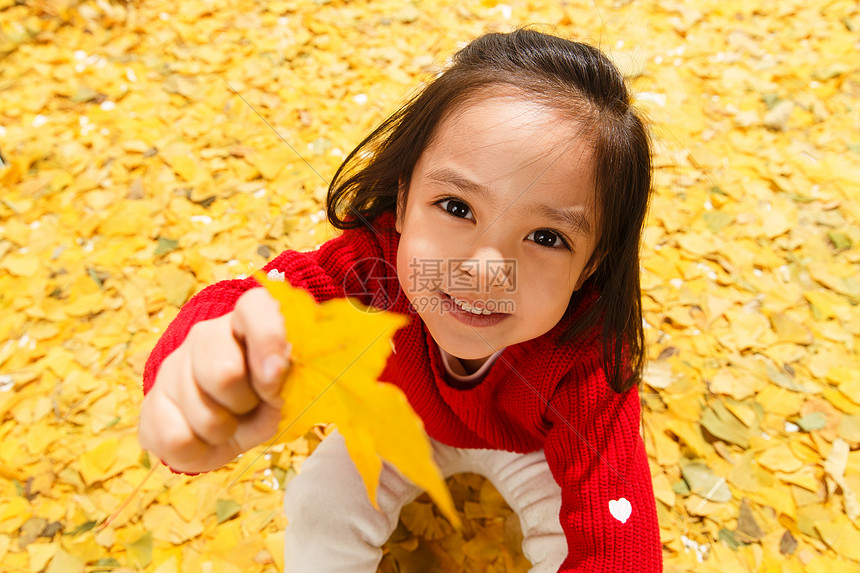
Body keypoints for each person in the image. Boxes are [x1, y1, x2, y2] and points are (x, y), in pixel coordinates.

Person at [139, 28, 662, 572]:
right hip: (402, 422)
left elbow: (622, 548)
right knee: (318, 504)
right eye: (456, 207)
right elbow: (261, 297)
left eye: (548, 238)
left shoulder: (591, 358)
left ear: (593, 264)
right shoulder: (372, 269)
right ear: (406, 198)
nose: (485, 272)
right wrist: (205, 376)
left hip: (536, 452)